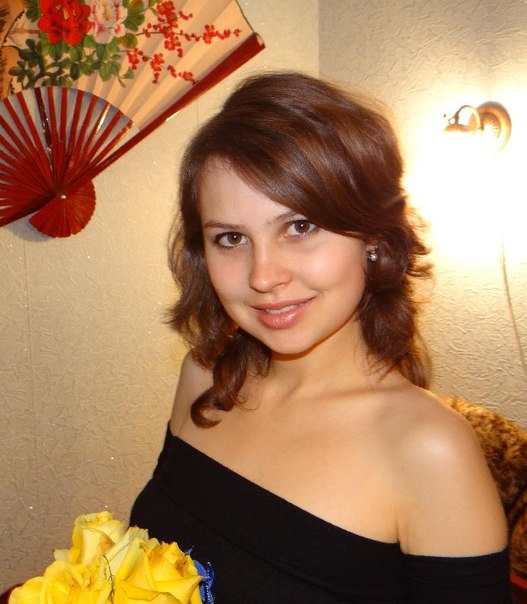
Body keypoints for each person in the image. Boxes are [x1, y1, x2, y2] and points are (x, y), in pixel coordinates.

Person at [131, 71, 512, 603]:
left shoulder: (429, 451)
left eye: (299, 226)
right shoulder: (204, 378)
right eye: (231, 238)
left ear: (373, 235)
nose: (263, 276)